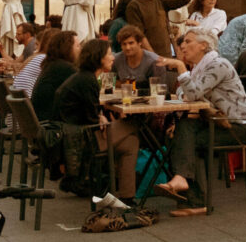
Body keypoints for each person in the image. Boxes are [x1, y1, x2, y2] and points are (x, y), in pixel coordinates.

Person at [157, 28, 246, 217]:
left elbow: (192, 94)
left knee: (187, 139)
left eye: (188, 41)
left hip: (240, 126)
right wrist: (186, 83)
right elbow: (184, 94)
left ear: (203, 45)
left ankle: (194, 197)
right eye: (183, 42)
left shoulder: (217, 64)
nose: (183, 46)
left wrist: (180, 67)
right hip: (222, 122)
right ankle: (186, 188)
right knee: (183, 129)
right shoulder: (201, 66)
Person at [54, 39, 140, 203]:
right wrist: (99, 116)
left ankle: (127, 197)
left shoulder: (81, 77)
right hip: (84, 139)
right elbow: (92, 119)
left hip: (71, 135)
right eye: (109, 54)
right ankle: (125, 195)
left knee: (131, 142)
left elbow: (90, 112)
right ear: (99, 58)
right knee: (134, 124)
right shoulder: (89, 81)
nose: (113, 57)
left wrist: (99, 115)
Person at [125, 0, 191, 56]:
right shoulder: (135, 6)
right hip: (148, 57)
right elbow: (139, 35)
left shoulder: (160, 2)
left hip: (166, 55)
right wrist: (153, 56)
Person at [31, 30, 80, 122]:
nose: (80, 49)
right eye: (77, 46)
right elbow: (84, 90)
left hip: (36, 123)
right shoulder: (65, 68)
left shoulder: (51, 65)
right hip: (52, 127)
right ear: (67, 48)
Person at [113, 25, 165, 90]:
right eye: (124, 44)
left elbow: (160, 90)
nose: (127, 48)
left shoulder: (154, 61)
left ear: (140, 42)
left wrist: (126, 84)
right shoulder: (116, 60)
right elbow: (112, 82)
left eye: (131, 43)